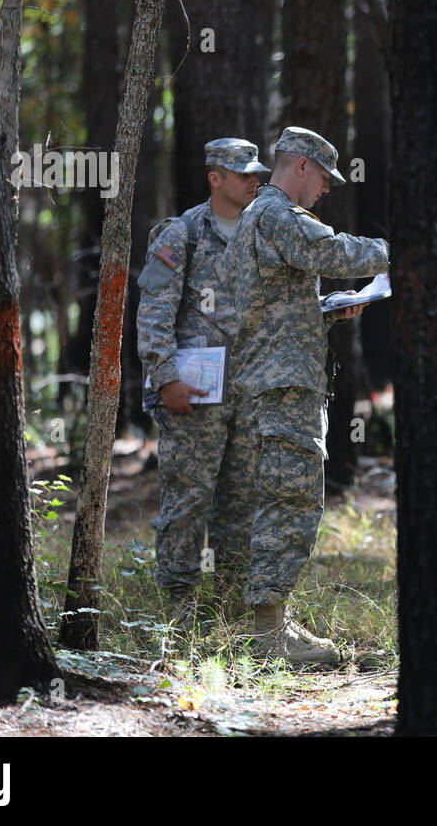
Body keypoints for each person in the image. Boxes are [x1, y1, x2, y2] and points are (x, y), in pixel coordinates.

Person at [224, 126, 389, 664]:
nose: (325, 189)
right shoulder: (277, 215)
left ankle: (275, 623)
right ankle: (270, 637)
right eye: (322, 177)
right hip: (284, 380)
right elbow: (336, 253)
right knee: (290, 501)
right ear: (299, 166)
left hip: (274, 376)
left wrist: (328, 311)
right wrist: (397, 252)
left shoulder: (254, 218)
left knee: (282, 497)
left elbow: (269, 303)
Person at [136, 137, 270, 628]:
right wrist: (165, 376)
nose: (254, 181)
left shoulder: (265, 232)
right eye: (244, 175)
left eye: (258, 173)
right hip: (194, 396)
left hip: (251, 391)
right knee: (188, 498)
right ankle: (180, 612)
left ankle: (232, 605)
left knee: (242, 501)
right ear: (216, 178)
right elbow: (153, 311)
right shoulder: (182, 234)